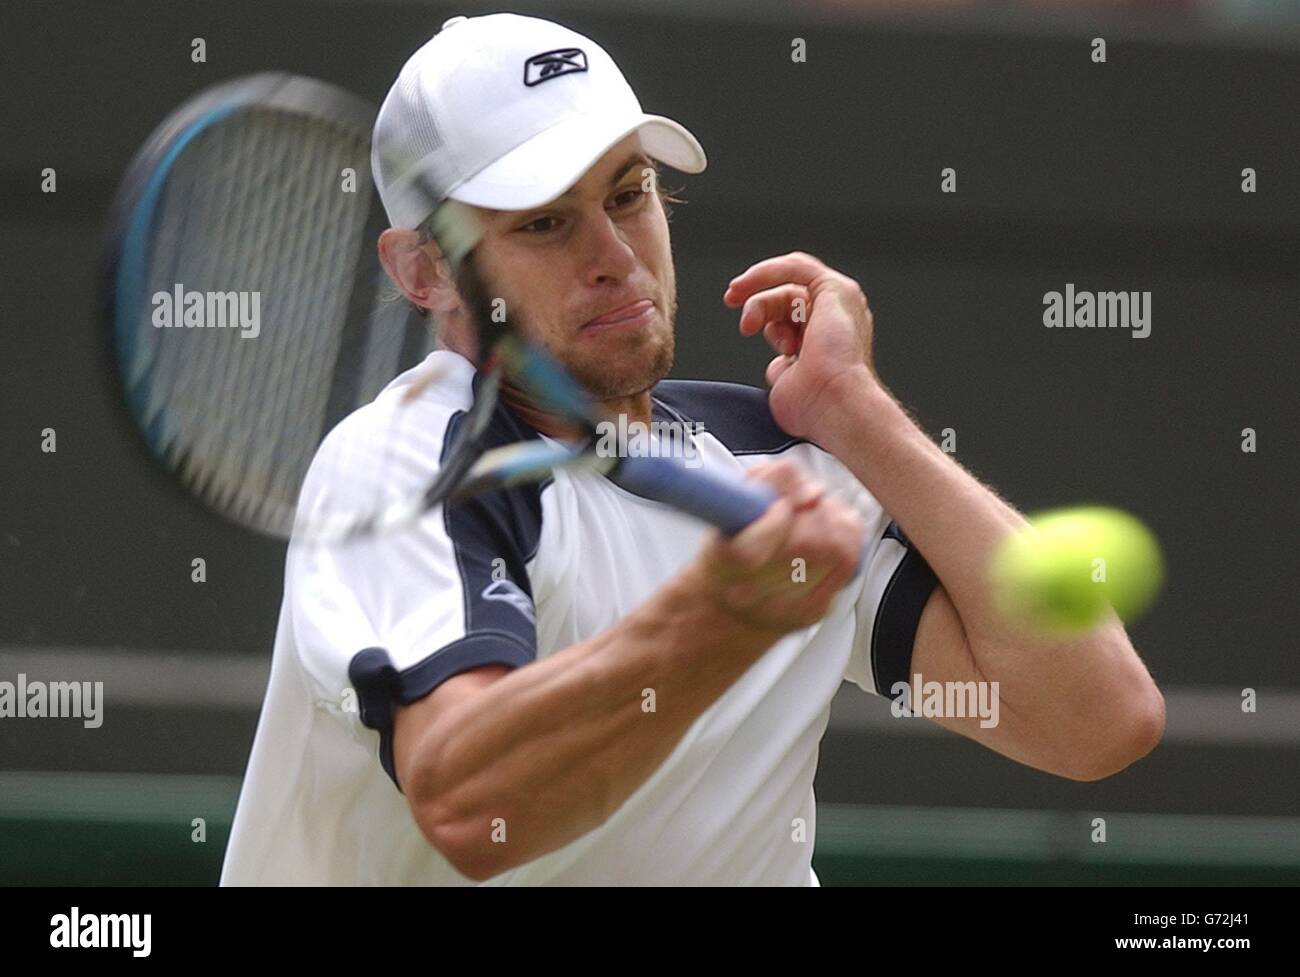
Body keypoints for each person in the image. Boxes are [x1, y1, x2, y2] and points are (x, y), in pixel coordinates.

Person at [220, 12, 1164, 886]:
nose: (615, 254)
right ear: (424, 269)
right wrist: (719, 621)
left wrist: (858, 414)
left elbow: (1095, 720)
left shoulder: (786, 458)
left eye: (628, 196)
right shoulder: (401, 466)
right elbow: (476, 807)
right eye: (545, 222)